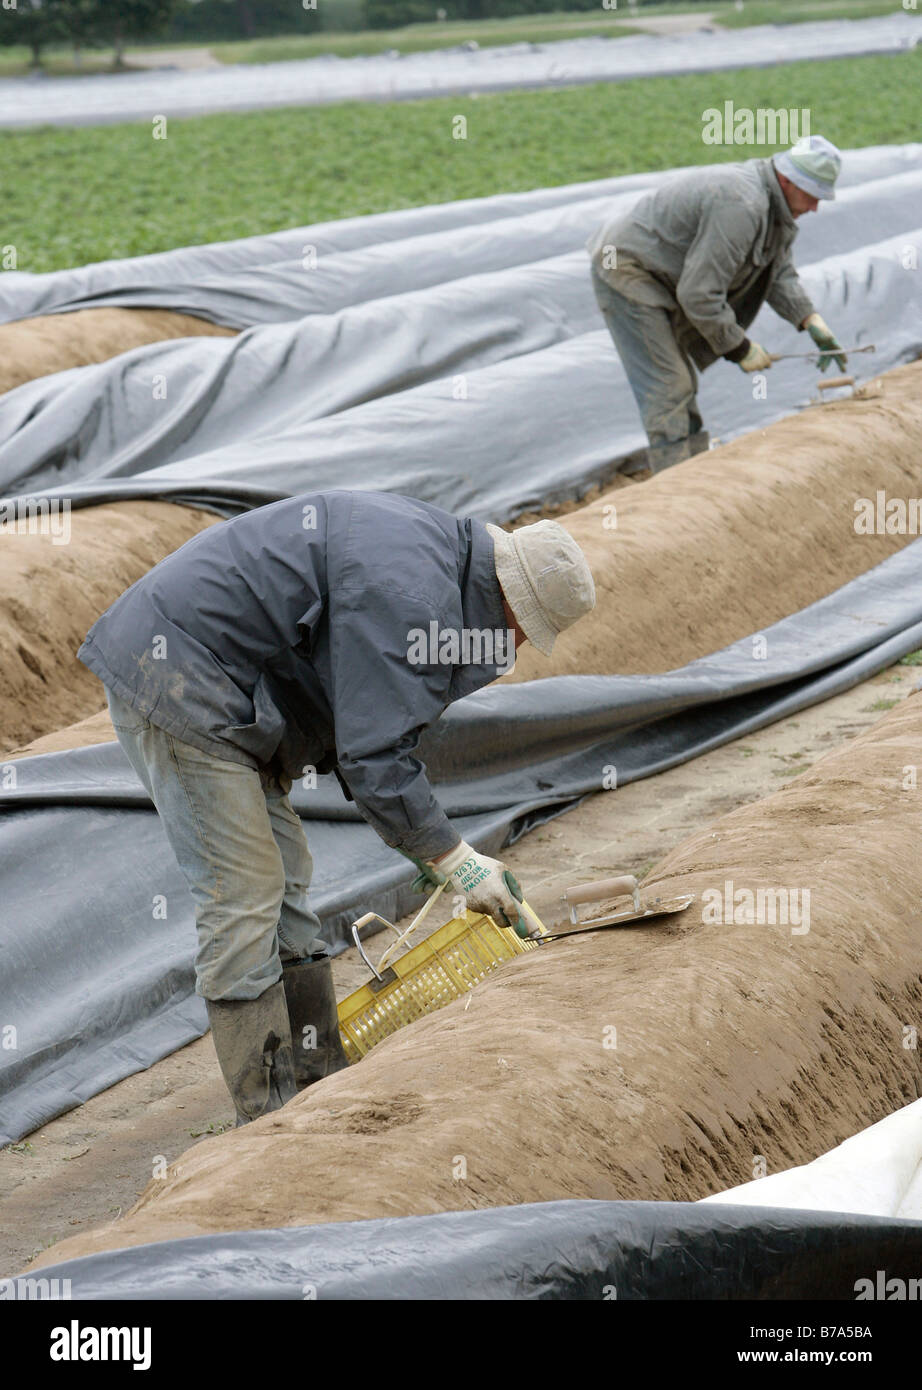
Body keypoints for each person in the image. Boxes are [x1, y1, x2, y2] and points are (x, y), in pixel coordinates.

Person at [77, 490, 595, 1124]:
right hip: (180, 677)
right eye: (521, 629)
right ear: (509, 600)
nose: (514, 645)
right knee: (244, 892)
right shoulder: (414, 600)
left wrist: (425, 843)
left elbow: (367, 721)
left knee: (289, 879)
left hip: (231, 686)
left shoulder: (438, 567)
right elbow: (373, 752)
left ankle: (317, 1073)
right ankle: (266, 1111)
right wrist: (453, 858)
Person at [587, 134, 848, 473]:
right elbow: (699, 294)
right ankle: (674, 488)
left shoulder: (775, 209)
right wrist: (739, 347)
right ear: (787, 180)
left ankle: (691, 473)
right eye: (812, 196)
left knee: (680, 381)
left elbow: (778, 272)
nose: (814, 207)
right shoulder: (741, 205)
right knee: (669, 383)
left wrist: (809, 319)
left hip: (664, 274)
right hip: (628, 267)